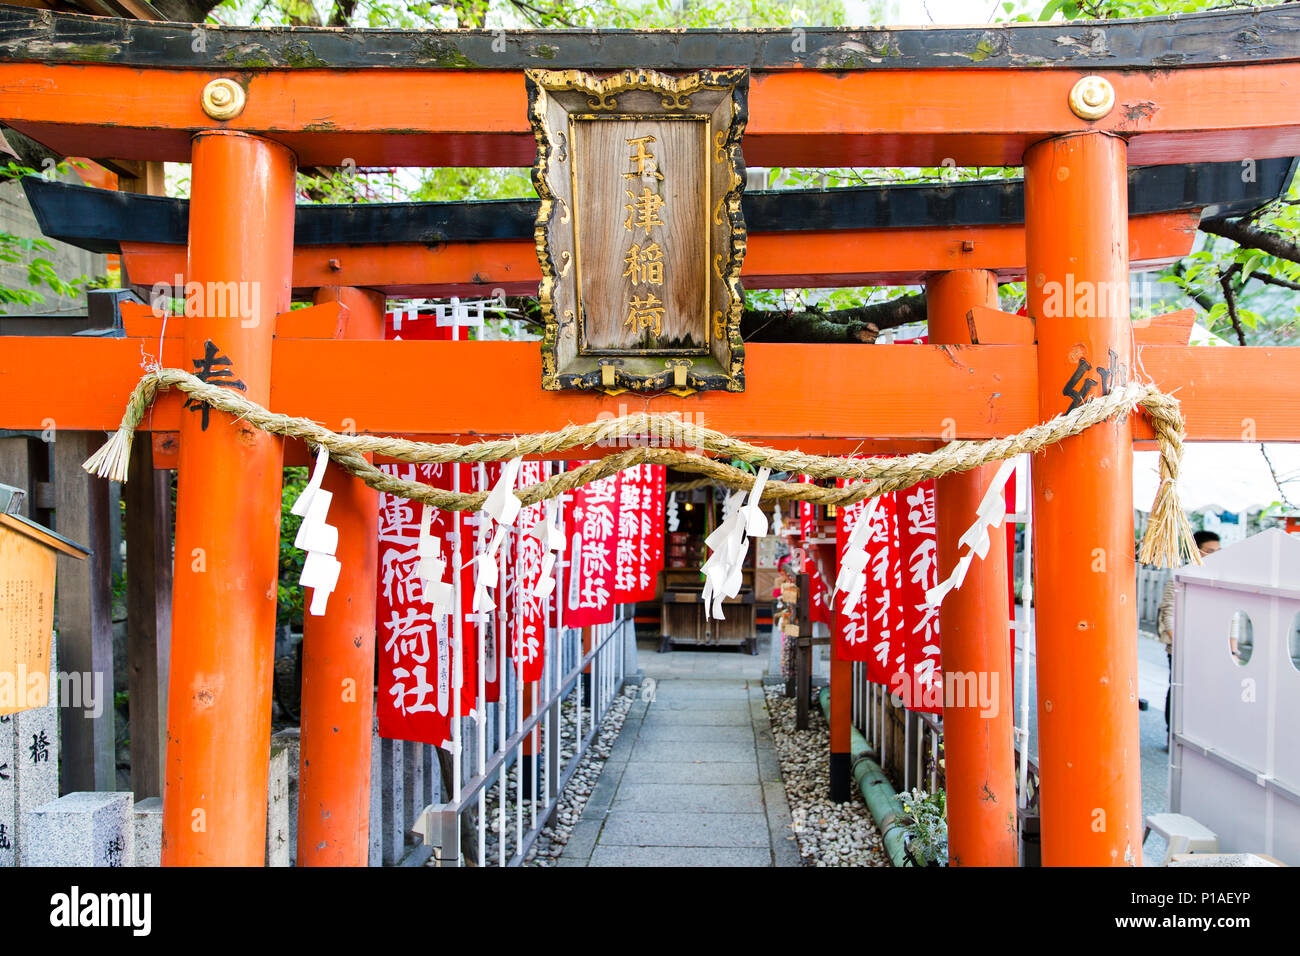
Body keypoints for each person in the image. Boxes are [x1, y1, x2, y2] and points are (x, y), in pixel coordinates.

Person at [1158, 530, 1221, 732]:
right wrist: (1179, 645)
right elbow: (1169, 613)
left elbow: (1232, 619)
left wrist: (1233, 649)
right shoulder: (1180, 577)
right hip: (1181, 646)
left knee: (1206, 691)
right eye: (1210, 551)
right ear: (1196, 551)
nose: (1216, 555)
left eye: (1219, 551)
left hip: (1210, 647)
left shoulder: (1221, 578)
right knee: (1179, 689)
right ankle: (1173, 732)